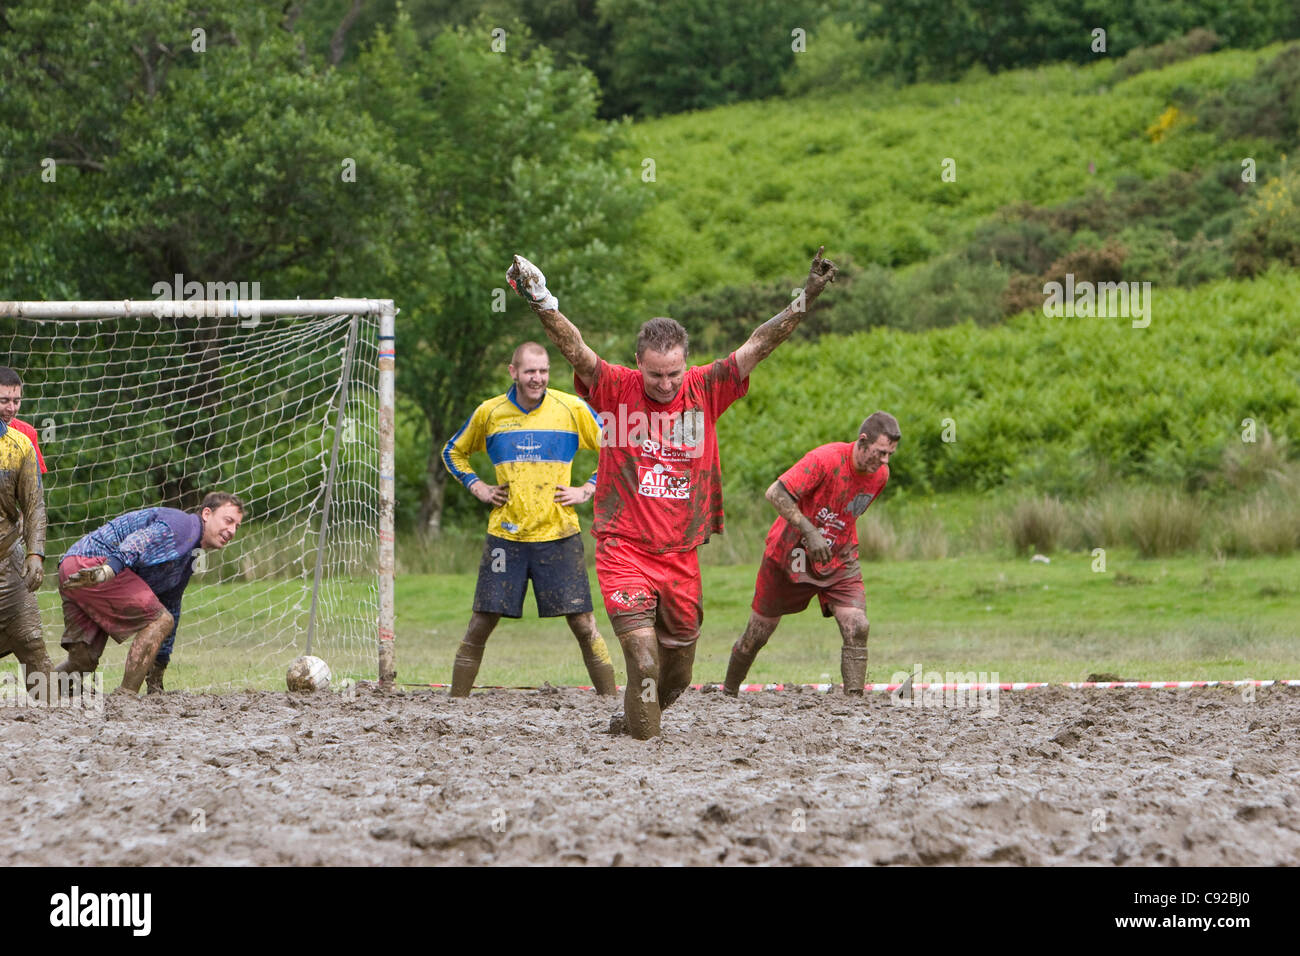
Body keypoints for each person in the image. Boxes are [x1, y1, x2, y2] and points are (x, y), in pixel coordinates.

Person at [508, 246, 838, 739]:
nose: (664, 384)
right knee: (643, 662)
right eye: (655, 373)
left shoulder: (708, 387)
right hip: (623, 547)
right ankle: (642, 760)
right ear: (638, 363)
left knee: (677, 675)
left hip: (681, 554)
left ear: (687, 364)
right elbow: (574, 348)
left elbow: (760, 343)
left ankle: (632, 725)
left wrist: (806, 295)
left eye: (673, 373)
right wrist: (540, 299)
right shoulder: (615, 387)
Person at [441, 342, 616, 697]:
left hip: (560, 534)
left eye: (543, 371)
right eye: (530, 371)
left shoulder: (571, 408)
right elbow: (452, 451)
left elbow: (617, 448)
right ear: (513, 372)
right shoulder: (490, 413)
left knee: (583, 624)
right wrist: (479, 488)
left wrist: (587, 489)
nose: (537, 378)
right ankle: (455, 706)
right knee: (482, 621)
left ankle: (609, 701)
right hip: (506, 538)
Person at [723, 412, 900, 697]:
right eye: (880, 453)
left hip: (839, 559)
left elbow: (849, 514)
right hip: (788, 556)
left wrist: (831, 540)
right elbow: (775, 493)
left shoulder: (880, 476)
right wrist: (810, 531)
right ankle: (728, 692)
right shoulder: (825, 459)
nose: (884, 461)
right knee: (757, 635)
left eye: (890, 454)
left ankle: (853, 703)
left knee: (858, 626)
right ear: (862, 441)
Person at [53, 492, 244, 696]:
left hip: (71, 567)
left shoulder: (189, 555)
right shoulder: (183, 526)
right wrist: (108, 570)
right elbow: (139, 541)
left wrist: (156, 678)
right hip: (95, 566)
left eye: (236, 526)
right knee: (160, 620)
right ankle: (126, 697)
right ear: (207, 513)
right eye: (228, 521)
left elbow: (172, 605)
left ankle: (39, 689)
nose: (232, 530)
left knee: (83, 661)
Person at [0, 383, 51, 702]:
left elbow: (34, 505)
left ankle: (54, 720)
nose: (11, 406)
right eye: (4, 399)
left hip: (8, 559)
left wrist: (35, 553)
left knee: (32, 640)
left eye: (16, 400)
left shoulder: (21, 444)